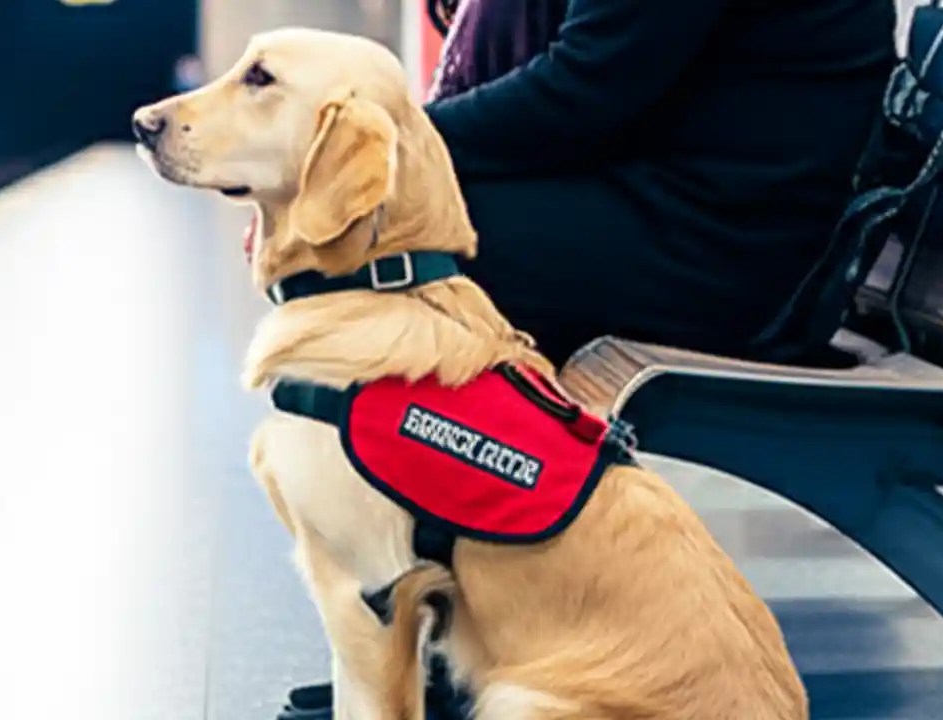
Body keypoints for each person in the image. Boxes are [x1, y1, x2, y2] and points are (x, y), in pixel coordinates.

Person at [270, 0, 897, 715]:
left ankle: (439, 633)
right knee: (395, 237)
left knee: (422, 251)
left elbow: (583, 91)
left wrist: (374, 155)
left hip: (727, 246)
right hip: (699, 206)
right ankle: (434, 639)